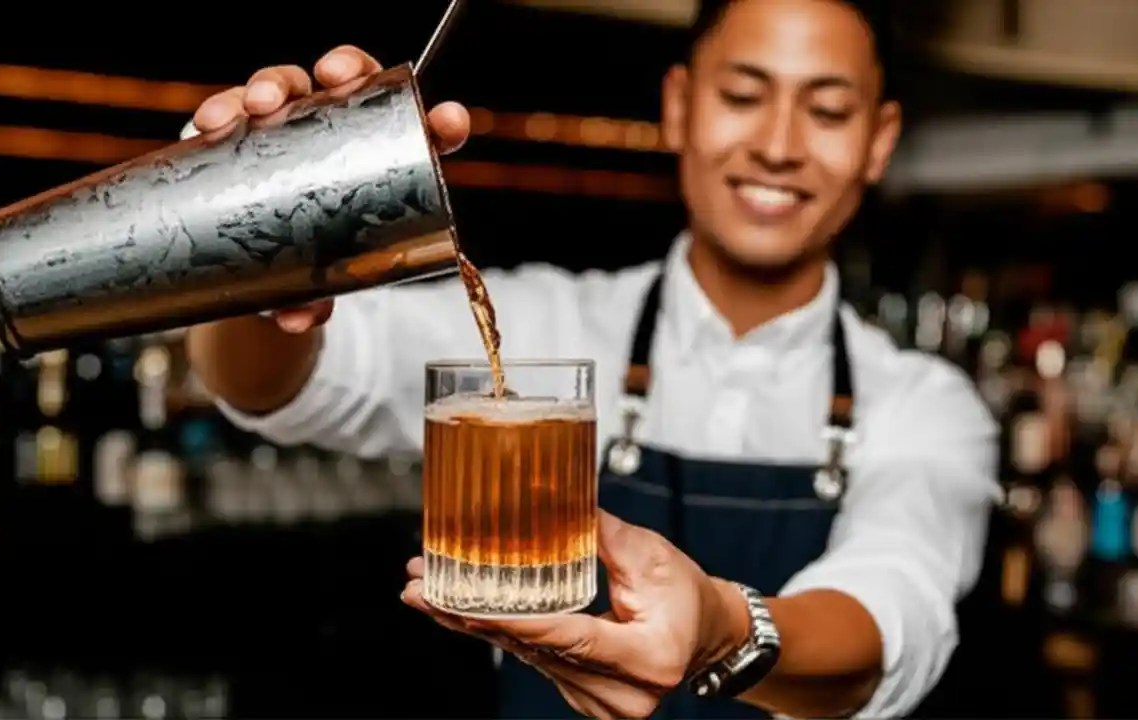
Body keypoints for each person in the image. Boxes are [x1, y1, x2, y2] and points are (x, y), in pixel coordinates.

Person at [184, 0, 1000, 717]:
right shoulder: (547, 331)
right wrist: (255, 260)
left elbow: (893, 610)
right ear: (678, 106)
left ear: (878, 140)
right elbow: (284, 383)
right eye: (744, 96)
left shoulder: (924, 405)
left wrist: (721, 627)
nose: (779, 146)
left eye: (826, 111)